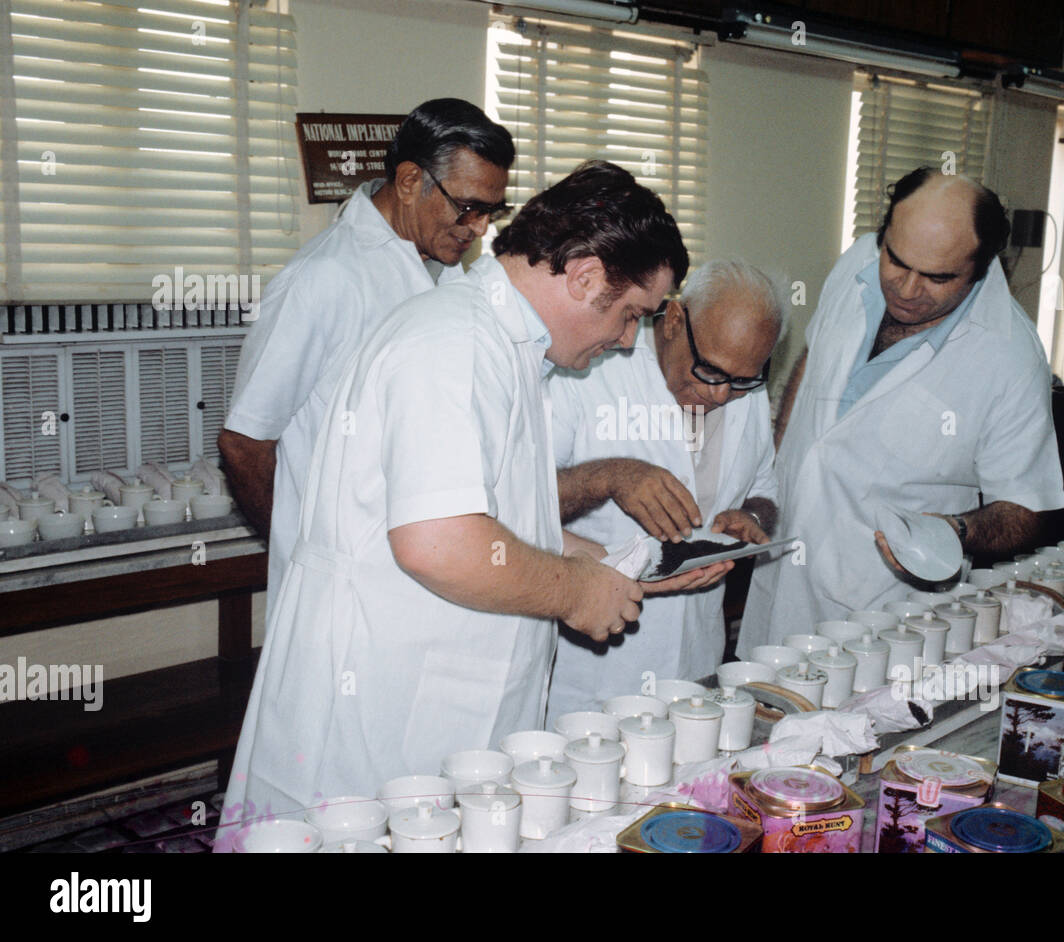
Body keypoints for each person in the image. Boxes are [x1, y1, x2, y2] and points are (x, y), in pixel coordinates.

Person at [216, 161, 727, 848]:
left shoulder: (506, 349)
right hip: (377, 702)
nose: (629, 339)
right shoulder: (454, 342)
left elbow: (497, 519)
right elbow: (440, 542)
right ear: (585, 277)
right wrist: (576, 590)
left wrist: (623, 566)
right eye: (632, 313)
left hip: (429, 692)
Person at [738, 168, 1064, 655]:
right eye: (897, 260)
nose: (907, 289)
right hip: (781, 568)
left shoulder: (1010, 357)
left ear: (981, 266)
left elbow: (1025, 508)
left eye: (938, 277)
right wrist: (774, 474)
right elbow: (814, 360)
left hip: (881, 611)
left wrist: (956, 531)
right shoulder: (858, 261)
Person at [218, 98, 514, 621]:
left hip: (430, 569)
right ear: (407, 181)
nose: (479, 227)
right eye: (467, 207)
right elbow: (244, 442)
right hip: (343, 584)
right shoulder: (324, 279)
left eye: (491, 211)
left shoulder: (448, 271)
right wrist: (306, 546)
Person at [546, 260, 783, 718]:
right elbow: (523, 503)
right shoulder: (589, 368)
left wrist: (751, 518)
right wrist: (609, 476)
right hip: (591, 668)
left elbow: (765, 491)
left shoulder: (744, 390)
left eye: (741, 380)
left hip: (696, 659)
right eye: (710, 371)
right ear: (673, 321)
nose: (720, 395)